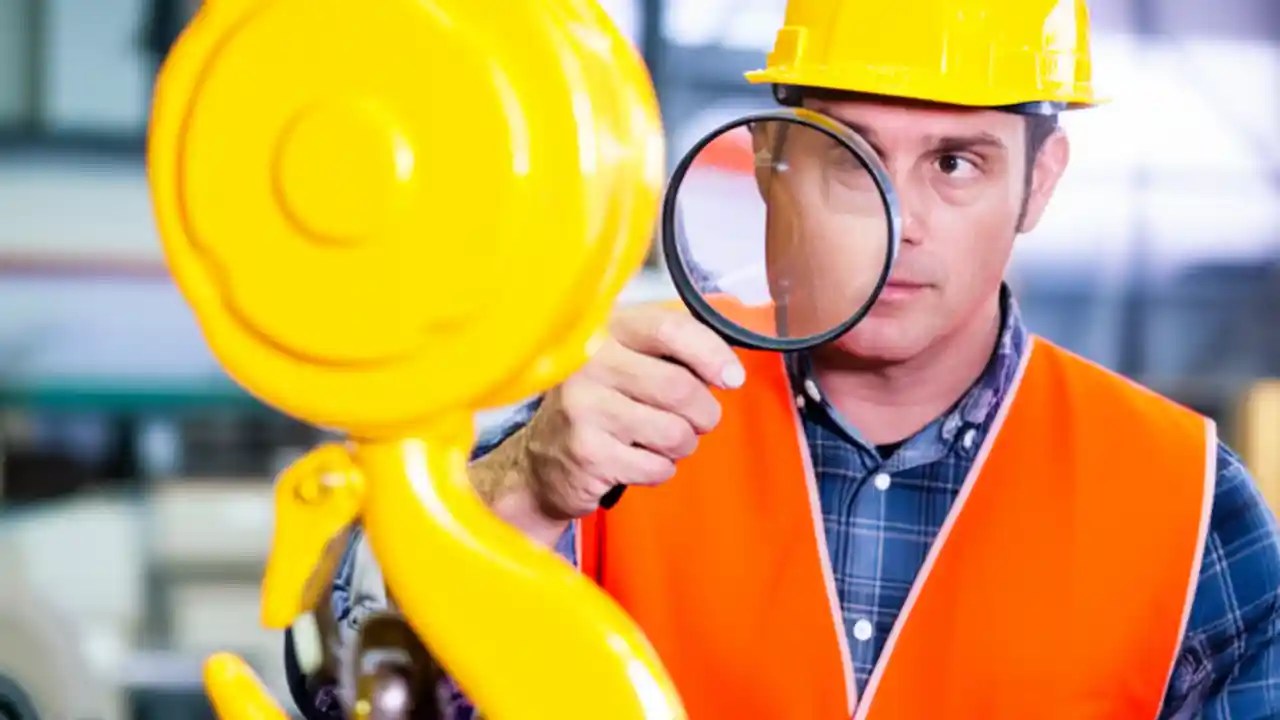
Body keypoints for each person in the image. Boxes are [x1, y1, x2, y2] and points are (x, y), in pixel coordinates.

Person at [303, 0, 1280, 718]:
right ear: (770, 163)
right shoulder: (608, 419)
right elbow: (353, 696)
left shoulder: (1190, 500)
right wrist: (520, 489)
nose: (898, 224)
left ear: (1039, 182)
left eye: (954, 163)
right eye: (851, 158)